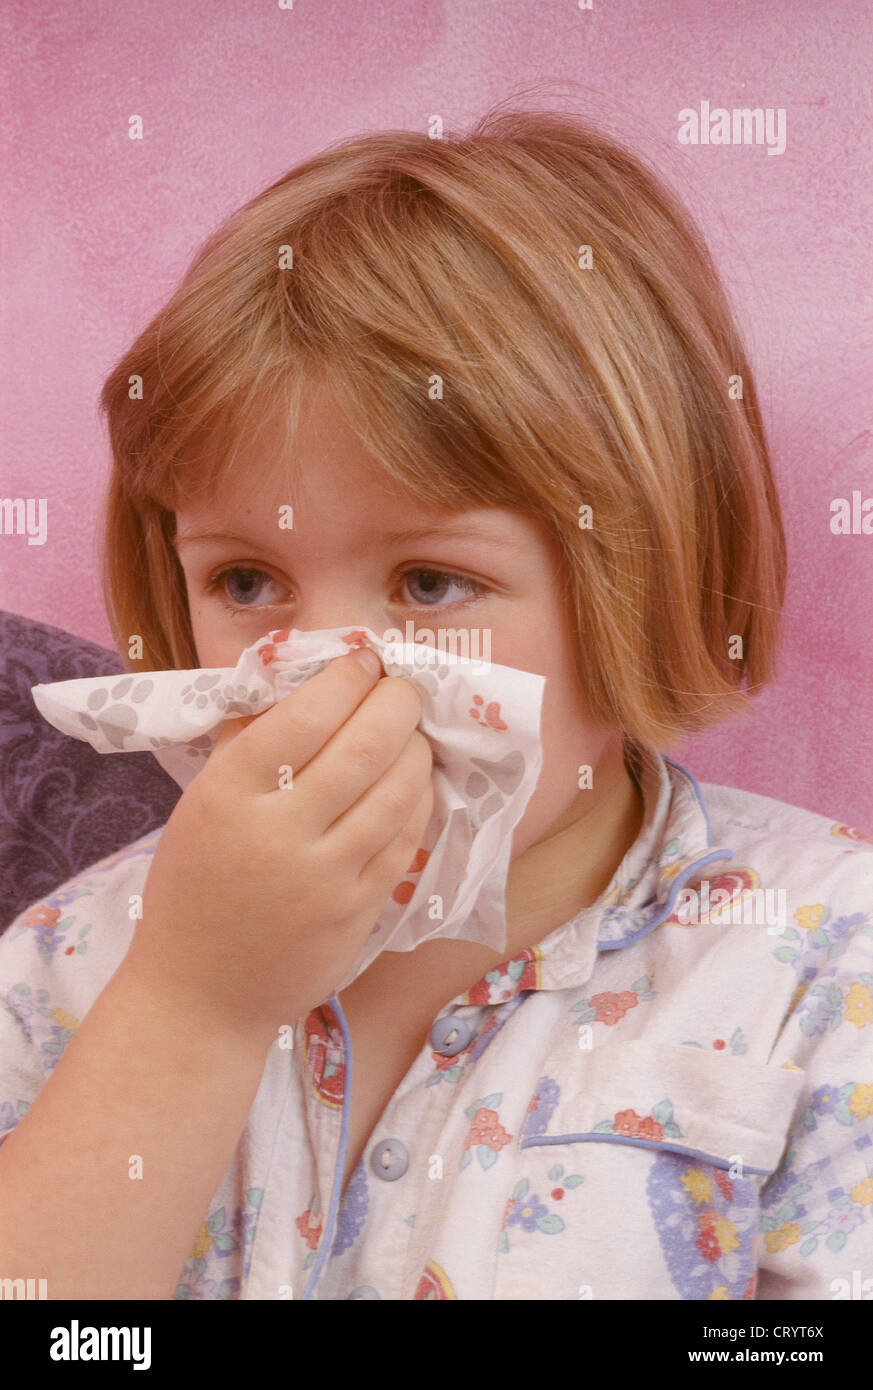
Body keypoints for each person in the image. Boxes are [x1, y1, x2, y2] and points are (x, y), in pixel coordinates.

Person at [1, 106, 870, 1302]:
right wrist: (192, 1006)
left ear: (637, 577)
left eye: (428, 582)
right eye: (246, 580)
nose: (324, 667)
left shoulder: (820, 959)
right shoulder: (76, 958)